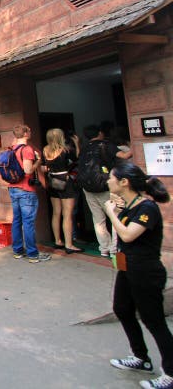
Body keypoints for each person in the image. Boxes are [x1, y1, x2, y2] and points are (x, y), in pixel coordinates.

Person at [104, 162, 173, 389]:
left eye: (111, 177)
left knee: (154, 320)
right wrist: (116, 211)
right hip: (127, 268)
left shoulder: (147, 208)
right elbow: (121, 237)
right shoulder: (130, 206)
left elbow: (129, 235)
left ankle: (171, 373)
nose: (108, 181)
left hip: (145, 271)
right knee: (122, 309)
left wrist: (110, 213)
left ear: (124, 182)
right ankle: (141, 358)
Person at [8, 124, 51, 263]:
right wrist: (38, 161)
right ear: (25, 133)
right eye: (30, 131)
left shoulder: (12, 149)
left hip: (13, 188)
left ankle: (18, 250)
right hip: (26, 189)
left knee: (17, 220)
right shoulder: (27, 150)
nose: (31, 132)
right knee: (28, 222)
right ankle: (33, 254)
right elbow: (28, 170)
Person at [79, 123, 123, 257]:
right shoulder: (106, 145)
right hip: (105, 186)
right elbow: (125, 156)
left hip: (88, 187)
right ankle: (115, 249)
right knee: (115, 216)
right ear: (99, 133)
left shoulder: (84, 147)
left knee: (98, 219)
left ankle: (104, 248)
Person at [41, 128, 81, 254]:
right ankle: (69, 244)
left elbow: (43, 168)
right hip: (65, 181)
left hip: (53, 181)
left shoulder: (45, 150)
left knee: (56, 213)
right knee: (67, 214)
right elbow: (77, 159)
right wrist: (77, 144)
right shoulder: (65, 150)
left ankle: (58, 241)